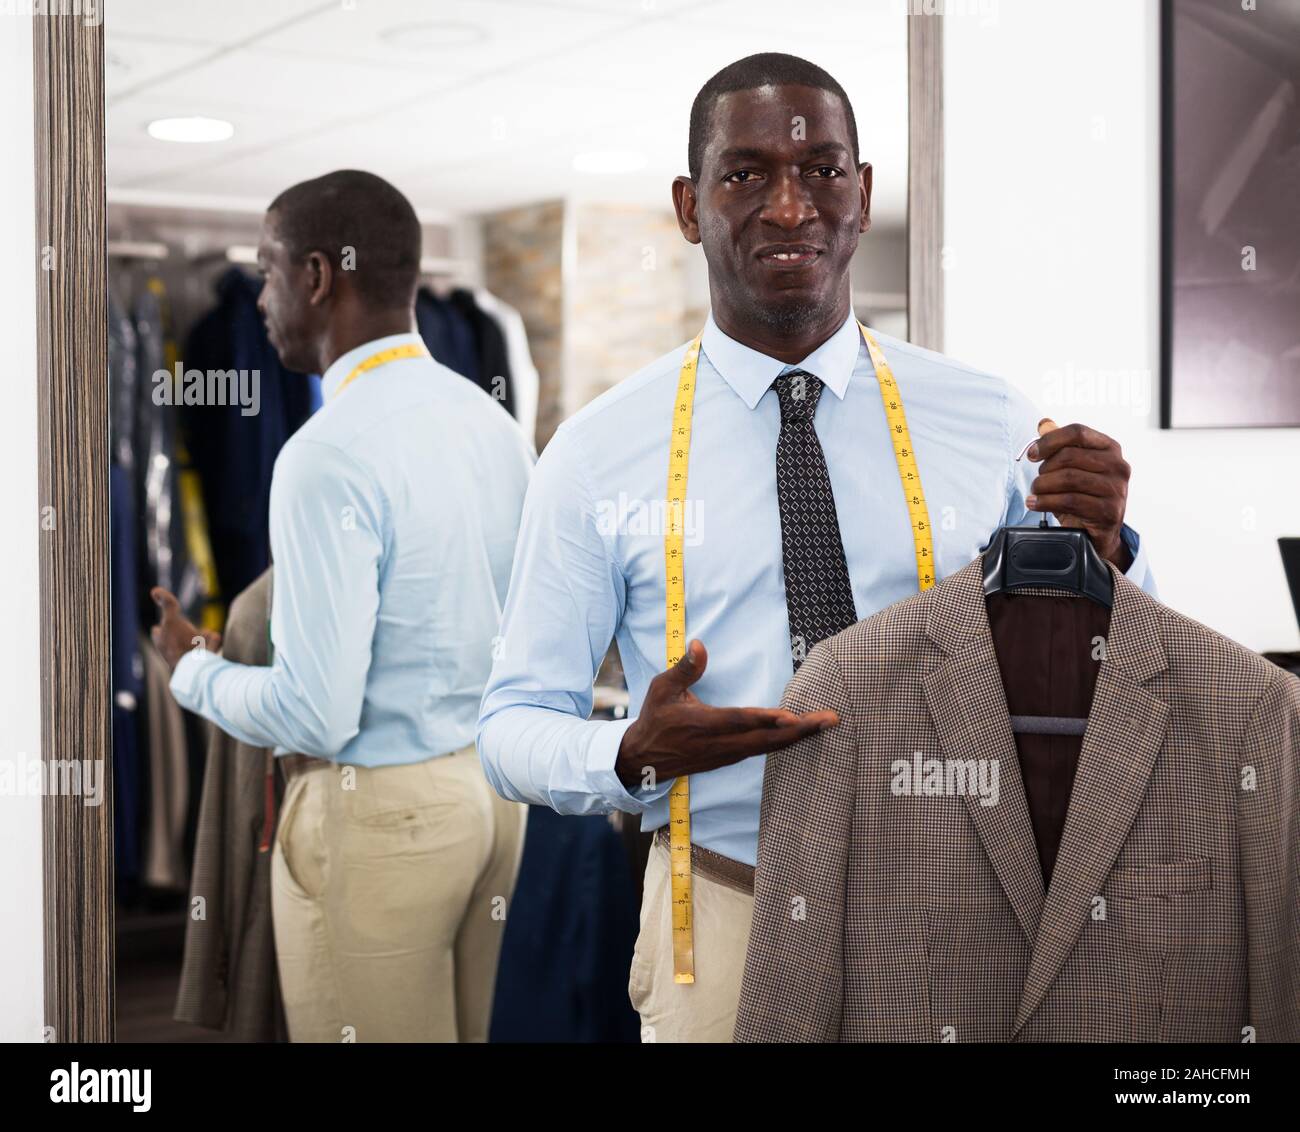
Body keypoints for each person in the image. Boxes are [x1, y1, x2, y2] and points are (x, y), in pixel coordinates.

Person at [476, 54, 1158, 1043]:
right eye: (746, 173)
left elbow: (1110, 681)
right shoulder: (597, 453)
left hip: (960, 908)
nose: (790, 206)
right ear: (688, 204)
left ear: (863, 191)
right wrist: (625, 750)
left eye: (823, 169)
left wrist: (1109, 561)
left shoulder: (993, 422)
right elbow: (508, 728)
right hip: (721, 914)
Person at [152, 170, 533, 1043]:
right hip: (492, 804)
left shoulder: (324, 452)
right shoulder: (492, 426)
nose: (259, 298)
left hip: (381, 820)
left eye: (268, 269)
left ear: (321, 276)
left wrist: (194, 672)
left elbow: (315, 715)